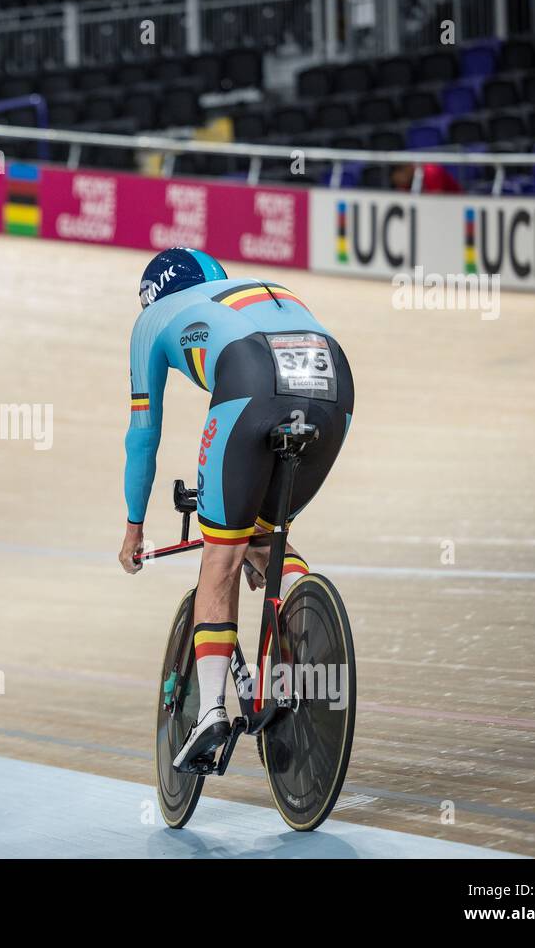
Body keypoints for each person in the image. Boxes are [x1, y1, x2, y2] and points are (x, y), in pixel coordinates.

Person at [118, 248, 354, 771]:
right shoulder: (252, 285)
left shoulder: (150, 320)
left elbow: (143, 436)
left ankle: (212, 711)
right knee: (266, 536)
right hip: (336, 384)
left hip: (251, 382)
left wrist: (134, 526)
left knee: (221, 555)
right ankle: (305, 616)